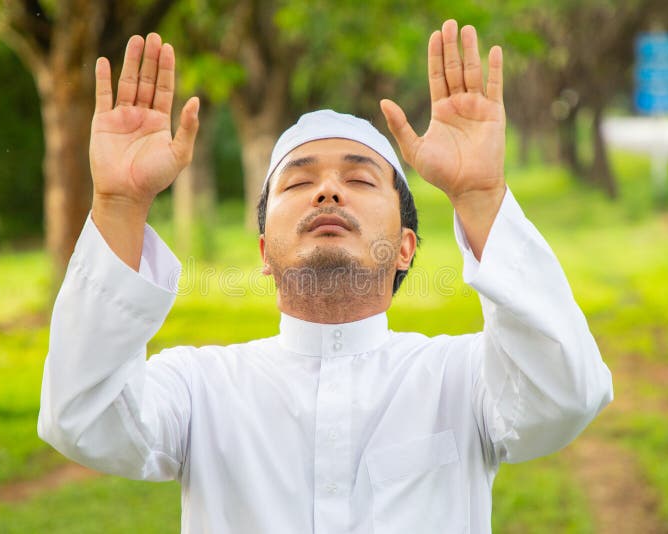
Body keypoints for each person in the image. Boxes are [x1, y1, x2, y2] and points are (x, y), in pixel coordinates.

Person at [38, 20, 613, 534]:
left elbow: (565, 396)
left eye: (361, 181)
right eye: (297, 182)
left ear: (406, 248)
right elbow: (81, 418)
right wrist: (118, 205)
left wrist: (483, 196)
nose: (328, 190)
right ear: (265, 250)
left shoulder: (461, 380)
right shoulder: (201, 389)